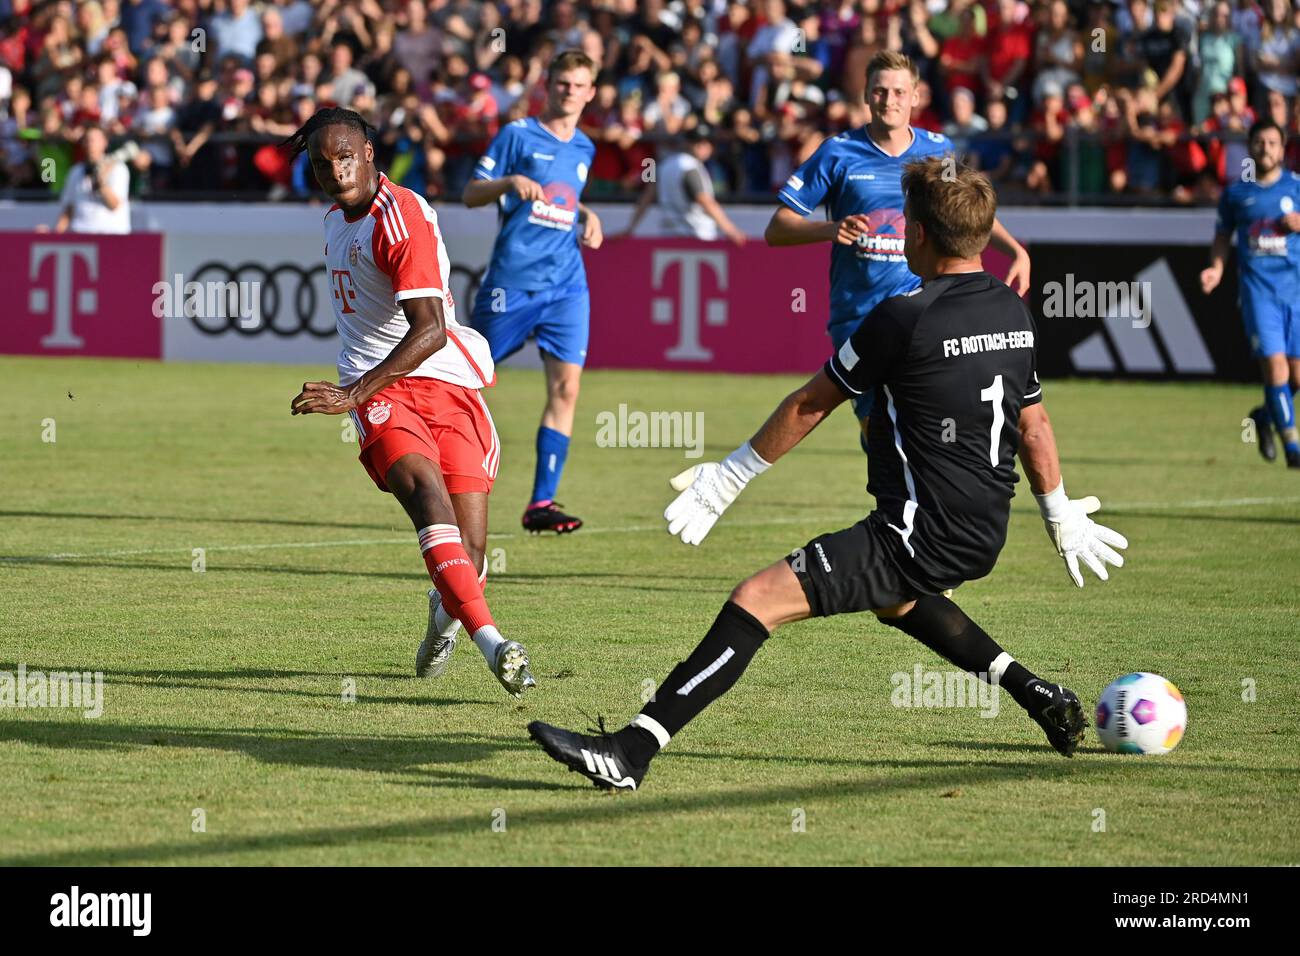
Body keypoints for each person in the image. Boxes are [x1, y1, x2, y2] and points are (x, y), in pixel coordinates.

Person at [527, 158, 1128, 791]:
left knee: (756, 600)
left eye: (906, 223)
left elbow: (811, 404)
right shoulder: (1010, 309)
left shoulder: (903, 316)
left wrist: (728, 477)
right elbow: (1034, 425)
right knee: (899, 601)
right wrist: (1058, 511)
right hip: (982, 531)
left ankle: (631, 751)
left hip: (913, 534)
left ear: (918, 234)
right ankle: (1038, 693)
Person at [283, 107, 535, 698]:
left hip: (442, 380)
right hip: (383, 390)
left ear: (369, 152)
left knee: (471, 555)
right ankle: (496, 645)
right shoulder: (334, 219)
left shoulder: (400, 219)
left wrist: (348, 393)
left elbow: (432, 330)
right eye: (322, 163)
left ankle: (443, 617)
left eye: (346, 156)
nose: (336, 171)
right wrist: (360, 392)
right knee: (426, 494)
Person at [764, 51, 1031, 446]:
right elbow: (776, 229)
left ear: (915, 97)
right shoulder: (837, 152)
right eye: (880, 91)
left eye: (899, 92)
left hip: (923, 314)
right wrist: (830, 229)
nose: (889, 100)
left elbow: (967, 214)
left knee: (920, 431)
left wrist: (1016, 252)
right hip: (860, 317)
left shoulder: (938, 151)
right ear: (866, 95)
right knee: (881, 434)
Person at [464, 50, 603, 535]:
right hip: (512, 283)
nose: (569, 91)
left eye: (579, 84)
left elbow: (563, 197)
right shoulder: (517, 135)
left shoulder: (585, 147)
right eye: (562, 82)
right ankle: (434, 463)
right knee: (465, 376)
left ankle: (541, 503)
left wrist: (587, 215)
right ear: (548, 85)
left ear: (590, 92)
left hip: (567, 284)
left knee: (567, 388)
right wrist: (509, 181)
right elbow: (471, 193)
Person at [1201, 119, 1300, 468]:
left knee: (1296, 376)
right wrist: (1216, 268)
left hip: (1295, 292)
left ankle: (1264, 417)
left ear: (1282, 148)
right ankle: (1293, 447)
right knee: (1275, 366)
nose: (1266, 148)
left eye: (1272, 142)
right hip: (1259, 293)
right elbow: (1221, 237)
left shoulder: (1296, 187)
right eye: (1259, 142)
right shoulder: (1236, 193)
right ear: (1250, 147)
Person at [615, 124, 747, 244]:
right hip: (697, 236)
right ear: (688, 143)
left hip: (669, 237)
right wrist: (731, 230)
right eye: (697, 142)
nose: (703, 146)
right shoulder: (690, 167)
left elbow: (646, 197)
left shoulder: (664, 165)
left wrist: (630, 227)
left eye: (707, 142)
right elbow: (705, 201)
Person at [53, 125, 131, 234]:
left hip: (111, 234)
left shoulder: (118, 169)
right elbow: (68, 208)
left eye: (94, 140)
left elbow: (114, 205)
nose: (90, 144)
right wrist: (55, 235)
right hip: (81, 233)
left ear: (105, 143)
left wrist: (100, 183)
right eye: (87, 140)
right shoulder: (76, 171)